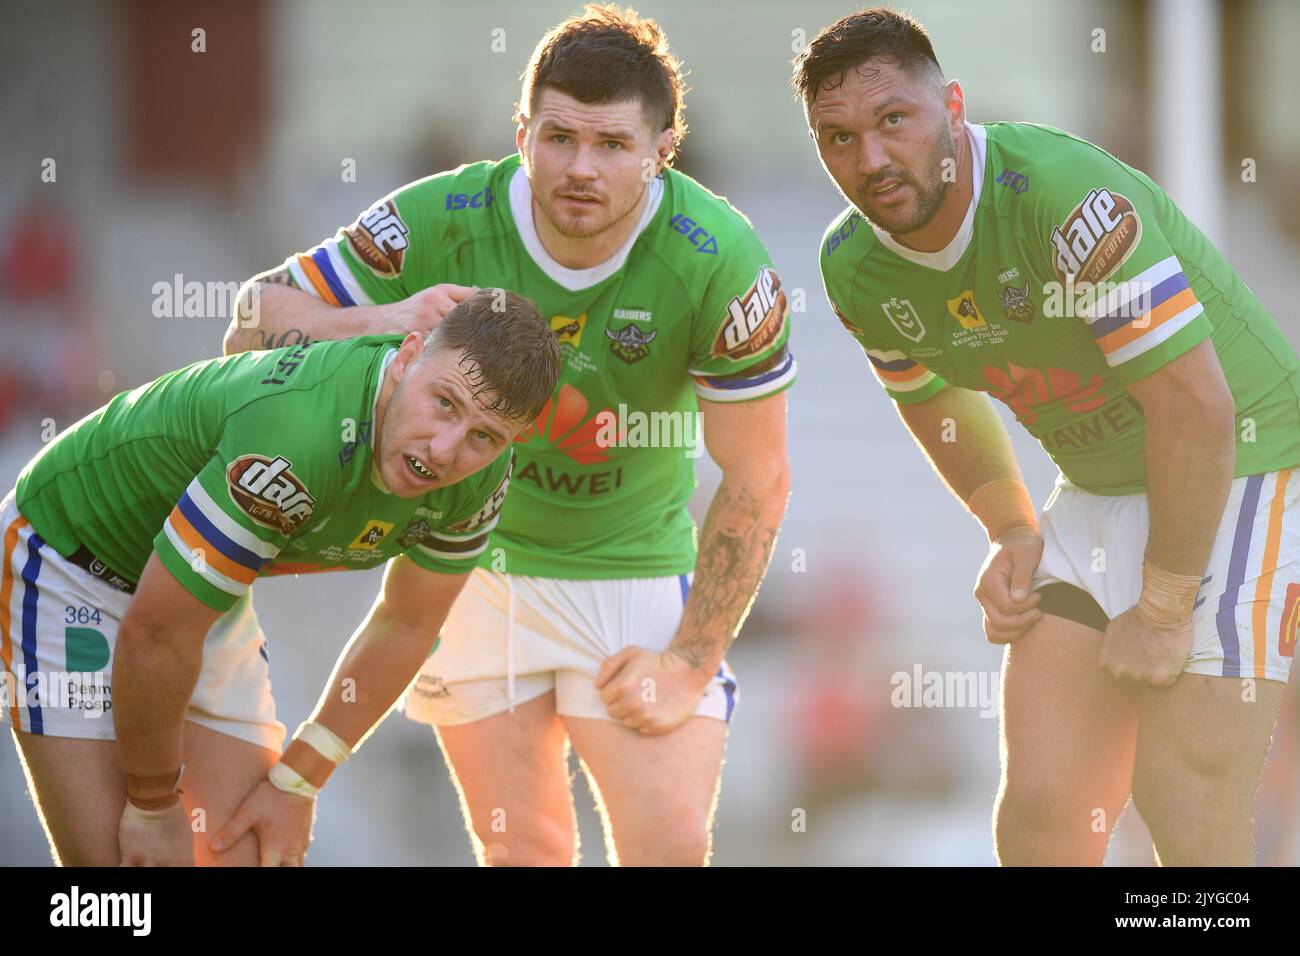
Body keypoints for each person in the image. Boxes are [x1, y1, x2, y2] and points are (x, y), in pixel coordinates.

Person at [224, 4, 793, 866]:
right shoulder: (446, 216)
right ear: (521, 130)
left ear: (662, 150)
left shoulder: (718, 257)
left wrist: (688, 661)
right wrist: (385, 317)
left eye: (612, 146)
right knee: (522, 850)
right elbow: (249, 322)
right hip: (470, 570)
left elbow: (757, 479)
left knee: (669, 845)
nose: (580, 168)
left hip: (632, 572)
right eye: (558, 137)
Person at [797, 8, 1300, 865]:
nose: (871, 159)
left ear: (951, 106)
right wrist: (1011, 528)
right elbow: (928, 393)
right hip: (1097, 487)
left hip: (1242, 468)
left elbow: (1199, 411)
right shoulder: (851, 265)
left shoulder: (1063, 196)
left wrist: (1165, 602)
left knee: (1181, 804)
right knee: (1040, 817)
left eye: (894, 121)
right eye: (837, 137)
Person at [2, 289, 558, 865]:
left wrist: (298, 781)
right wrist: (152, 805)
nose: (444, 451)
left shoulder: (483, 480)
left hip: (196, 589)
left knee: (244, 853)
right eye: (444, 403)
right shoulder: (298, 435)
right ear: (406, 355)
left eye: (483, 436)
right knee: (121, 882)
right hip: (69, 559)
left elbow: (407, 621)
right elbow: (156, 634)